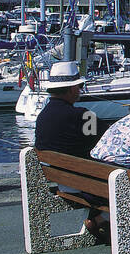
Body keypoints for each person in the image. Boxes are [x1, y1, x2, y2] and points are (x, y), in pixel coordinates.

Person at [34, 61, 104, 234]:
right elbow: (108, 137)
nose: (80, 90)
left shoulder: (42, 116)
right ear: (72, 89)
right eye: (79, 86)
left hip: (61, 180)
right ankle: (101, 219)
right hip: (83, 185)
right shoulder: (81, 115)